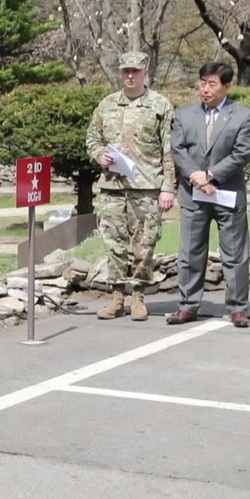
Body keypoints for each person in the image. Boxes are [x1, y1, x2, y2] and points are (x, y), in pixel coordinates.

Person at [85, 51, 176, 321]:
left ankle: (138, 296)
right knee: (113, 243)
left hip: (146, 186)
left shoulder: (160, 105)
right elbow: (92, 138)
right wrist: (99, 154)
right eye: (125, 70)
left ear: (145, 73)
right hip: (111, 187)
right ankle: (116, 298)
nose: (129, 75)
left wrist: (168, 187)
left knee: (144, 244)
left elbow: (170, 150)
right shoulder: (107, 104)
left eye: (135, 71)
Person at [167, 62, 250, 327]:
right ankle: (188, 305)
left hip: (227, 194)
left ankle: (238, 308)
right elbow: (178, 149)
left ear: (227, 86)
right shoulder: (184, 114)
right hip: (193, 193)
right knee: (190, 252)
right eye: (203, 83)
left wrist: (211, 175)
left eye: (212, 84)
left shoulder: (243, 116)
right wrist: (197, 177)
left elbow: (241, 153)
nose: (205, 89)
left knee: (235, 254)